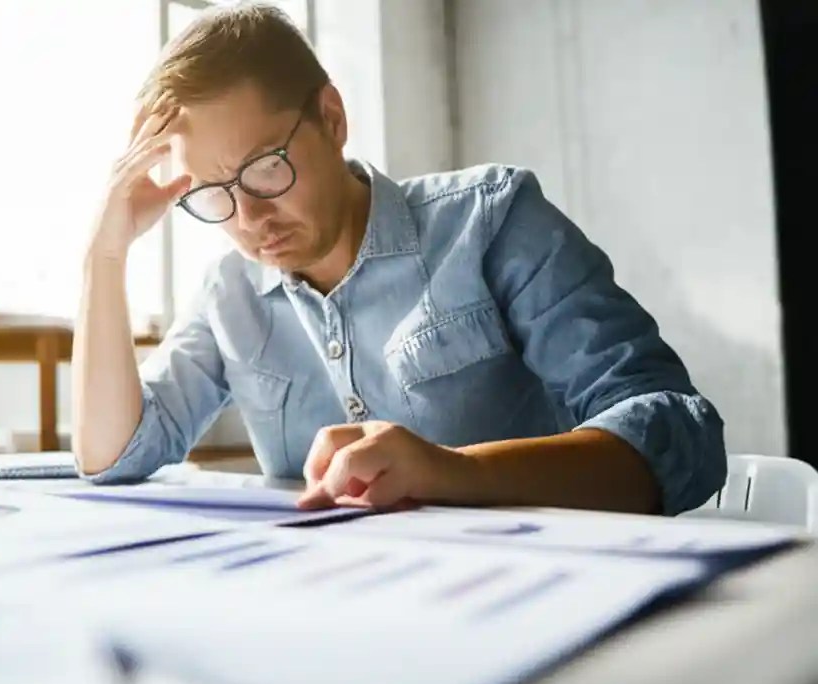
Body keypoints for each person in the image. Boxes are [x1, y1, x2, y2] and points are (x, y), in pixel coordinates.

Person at [71, 3, 724, 516]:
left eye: (266, 169)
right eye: (213, 195)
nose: (248, 221)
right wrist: (105, 254)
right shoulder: (230, 294)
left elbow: (677, 429)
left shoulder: (490, 220)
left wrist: (459, 472)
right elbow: (112, 456)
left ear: (331, 119)